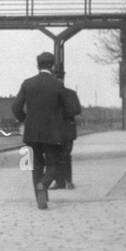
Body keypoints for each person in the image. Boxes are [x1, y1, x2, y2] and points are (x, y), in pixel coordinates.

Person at [12, 51, 78, 210]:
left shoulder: (27, 83)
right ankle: (44, 184)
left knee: (36, 166)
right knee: (54, 164)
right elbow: (71, 110)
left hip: (32, 133)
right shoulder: (57, 85)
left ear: (37, 65)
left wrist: (25, 120)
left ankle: (40, 199)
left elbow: (16, 107)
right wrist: (59, 120)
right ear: (53, 66)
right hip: (52, 133)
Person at [50, 66, 81, 190]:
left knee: (66, 155)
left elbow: (77, 110)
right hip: (55, 130)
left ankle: (68, 181)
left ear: (63, 79)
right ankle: (59, 182)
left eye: (60, 78)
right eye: (56, 78)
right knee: (55, 156)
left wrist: (61, 111)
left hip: (66, 130)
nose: (59, 80)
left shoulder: (71, 94)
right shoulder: (50, 95)